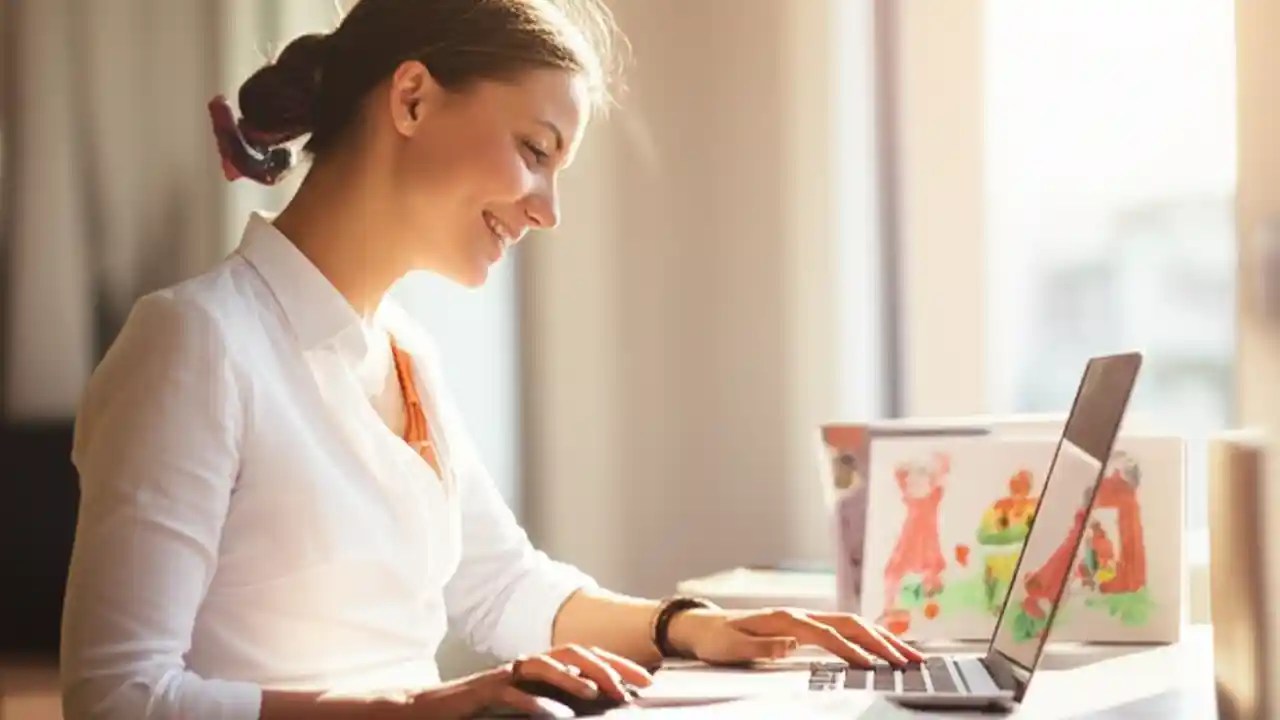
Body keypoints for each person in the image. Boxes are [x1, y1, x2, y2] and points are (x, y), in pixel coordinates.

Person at [59, 1, 922, 718]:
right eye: (535, 153)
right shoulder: (196, 341)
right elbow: (116, 695)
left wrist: (693, 627)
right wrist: (409, 710)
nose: (547, 210)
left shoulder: (406, 353)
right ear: (411, 100)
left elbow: (502, 587)